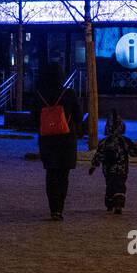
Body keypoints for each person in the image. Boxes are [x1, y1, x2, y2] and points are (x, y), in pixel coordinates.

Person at [32, 62, 82, 220]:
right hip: (66, 140)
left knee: (51, 174)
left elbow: (33, 118)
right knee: (63, 175)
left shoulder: (39, 94)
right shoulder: (69, 94)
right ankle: (59, 208)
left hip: (47, 140)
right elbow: (79, 116)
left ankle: (53, 208)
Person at [89, 108, 137, 214]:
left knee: (110, 185)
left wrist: (94, 166)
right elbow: (133, 152)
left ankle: (110, 203)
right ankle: (118, 204)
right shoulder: (124, 141)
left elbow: (99, 155)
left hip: (109, 169)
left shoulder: (105, 142)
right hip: (122, 169)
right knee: (120, 185)